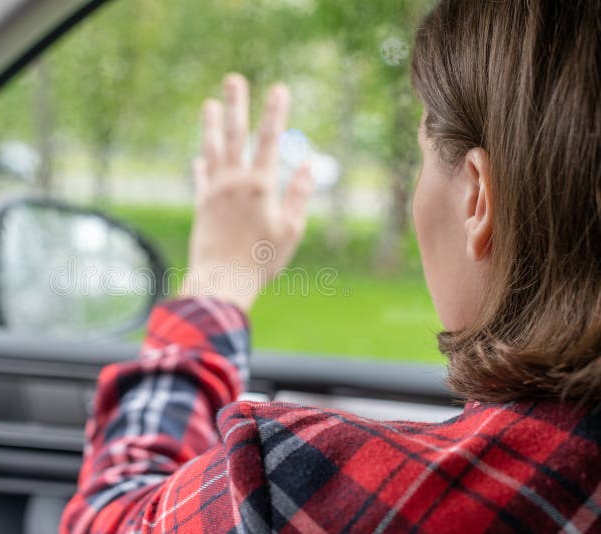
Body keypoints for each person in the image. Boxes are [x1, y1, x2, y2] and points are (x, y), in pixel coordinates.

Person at [62, 1, 601, 532]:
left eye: (421, 156)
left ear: (478, 198)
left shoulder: (296, 491)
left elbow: (109, 518)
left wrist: (218, 282)